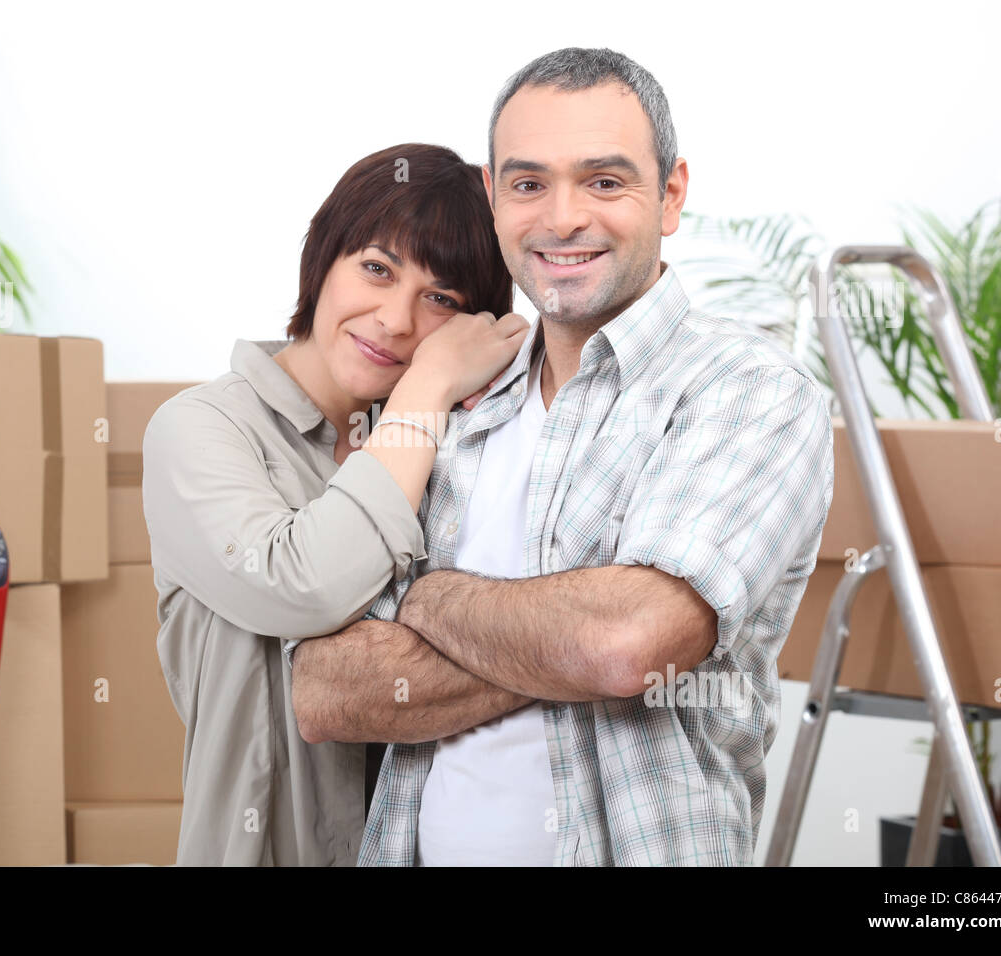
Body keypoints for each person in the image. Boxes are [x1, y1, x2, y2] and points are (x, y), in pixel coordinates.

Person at [286, 47, 836, 866]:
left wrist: (427, 600)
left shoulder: (750, 390)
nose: (563, 218)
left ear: (672, 193)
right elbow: (328, 693)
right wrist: (564, 638)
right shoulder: (450, 400)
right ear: (494, 196)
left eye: (605, 181)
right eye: (530, 183)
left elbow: (628, 645)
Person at [141, 143, 529, 866]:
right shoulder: (200, 429)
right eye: (377, 269)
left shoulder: (456, 449)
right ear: (323, 258)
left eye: (440, 298)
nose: (395, 320)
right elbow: (305, 586)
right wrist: (428, 385)